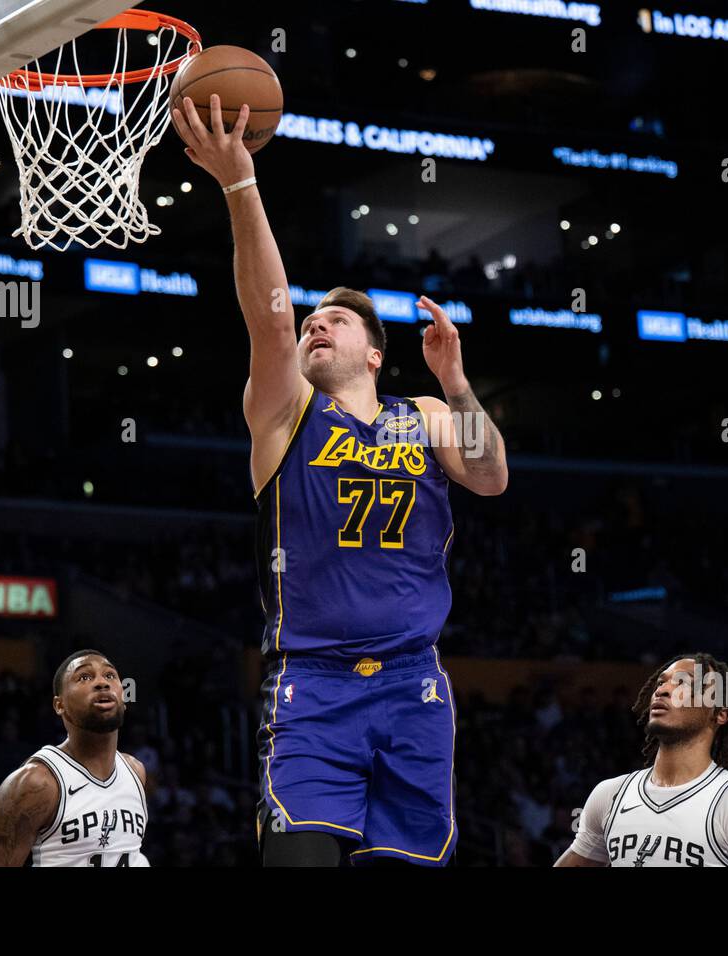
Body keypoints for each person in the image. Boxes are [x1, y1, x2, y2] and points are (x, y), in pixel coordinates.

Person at [172, 94, 509, 866]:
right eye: (312, 319)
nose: (316, 324)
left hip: (413, 687)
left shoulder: (423, 413)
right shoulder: (286, 415)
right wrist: (239, 184)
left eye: (338, 319)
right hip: (314, 688)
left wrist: (457, 383)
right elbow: (266, 315)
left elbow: (490, 478)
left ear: (374, 353)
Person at [556, 654, 728, 867]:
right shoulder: (609, 795)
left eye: (684, 684)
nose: (664, 690)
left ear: (719, 714)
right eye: (660, 683)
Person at [0, 651, 148, 867]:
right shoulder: (35, 783)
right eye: (84, 677)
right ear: (60, 705)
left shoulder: (136, 772)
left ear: (123, 698)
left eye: (110, 675)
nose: (102, 683)